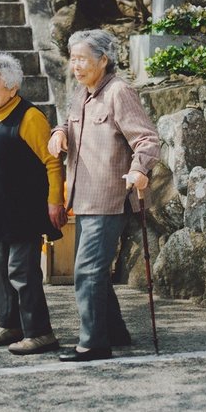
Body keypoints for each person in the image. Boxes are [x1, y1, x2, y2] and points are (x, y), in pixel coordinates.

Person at [48, 29, 160, 362]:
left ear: (103, 60)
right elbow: (68, 125)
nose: (76, 66)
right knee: (94, 268)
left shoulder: (119, 92)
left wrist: (140, 169)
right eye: (73, 59)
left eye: (83, 59)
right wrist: (59, 134)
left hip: (110, 196)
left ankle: (94, 342)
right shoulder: (80, 93)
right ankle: (114, 332)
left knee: (87, 270)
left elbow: (147, 139)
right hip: (82, 196)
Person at [0, 53, 67, 356]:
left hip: (26, 208)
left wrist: (55, 203)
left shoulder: (30, 117)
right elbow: (0, 160)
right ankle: (10, 325)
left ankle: (40, 332)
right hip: (0, 208)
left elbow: (52, 163)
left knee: (21, 270)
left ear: (12, 87)